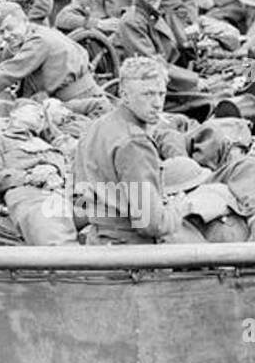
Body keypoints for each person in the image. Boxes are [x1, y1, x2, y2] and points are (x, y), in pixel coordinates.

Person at [71, 57, 187, 245]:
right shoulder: (135, 143)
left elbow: (79, 200)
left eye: (161, 94)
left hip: (97, 242)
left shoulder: (96, 127)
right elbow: (151, 225)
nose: (157, 103)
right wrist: (179, 209)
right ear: (125, 96)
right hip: (132, 253)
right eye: (147, 94)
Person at [0, 9, 102, 110]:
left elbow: (5, 74)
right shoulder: (34, 34)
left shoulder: (39, 41)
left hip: (80, 102)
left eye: (10, 28)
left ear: (24, 21)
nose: (6, 35)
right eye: (2, 31)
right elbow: (0, 70)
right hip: (60, 98)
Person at [112, 0, 209, 102]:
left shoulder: (170, 8)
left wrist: (199, 47)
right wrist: (193, 80)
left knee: (244, 69)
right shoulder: (132, 21)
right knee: (216, 98)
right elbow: (152, 64)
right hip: (153, 86)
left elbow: (189, 32)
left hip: (182, 72)